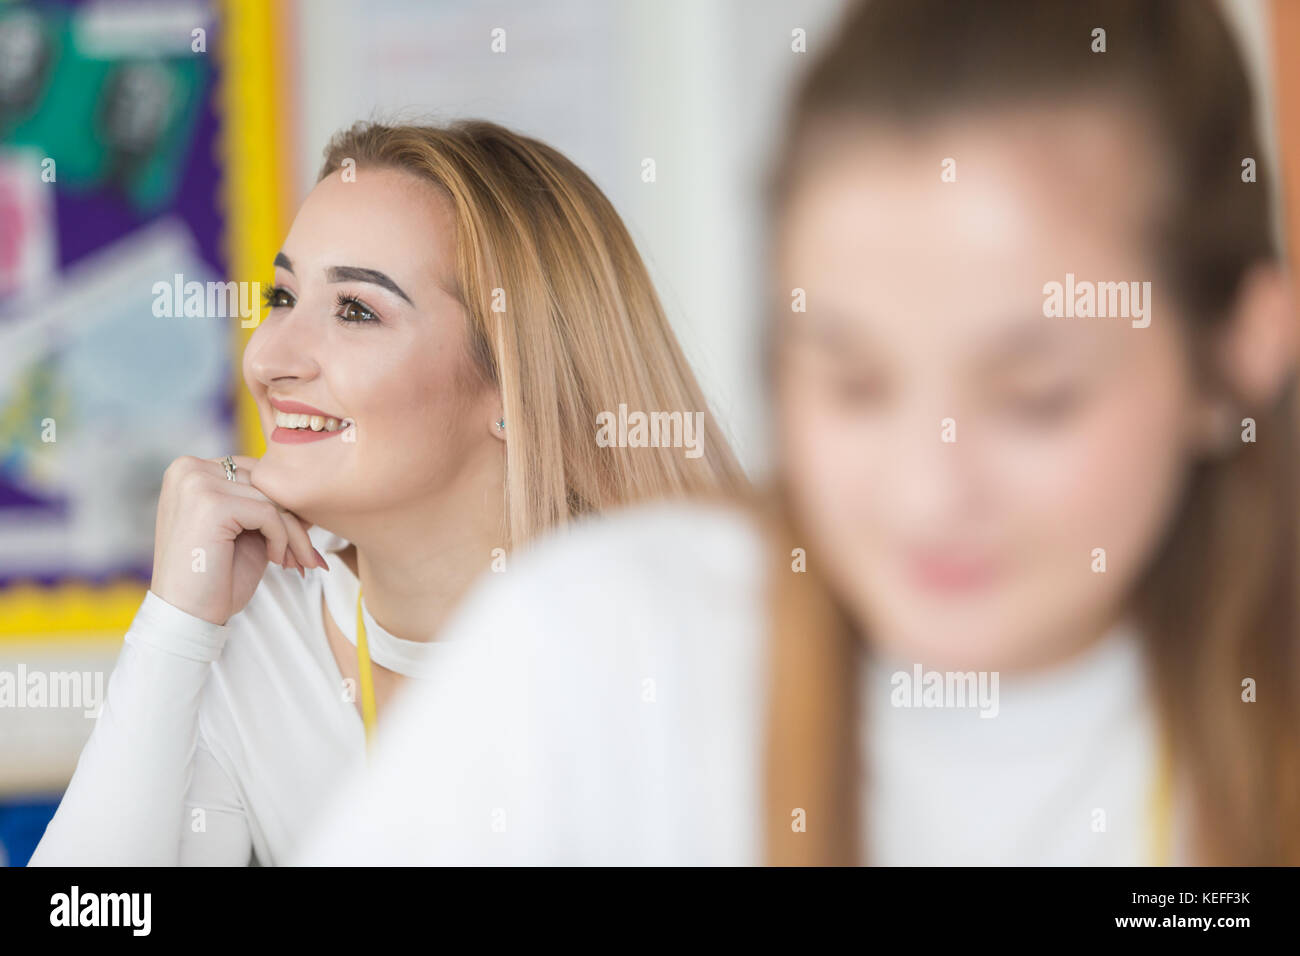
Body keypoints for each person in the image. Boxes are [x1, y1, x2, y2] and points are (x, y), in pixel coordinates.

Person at [295, 0, 1299, 866]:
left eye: (1032, 395)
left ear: (1239, 351)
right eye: (851, 384)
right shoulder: (604, 651)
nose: (925, 490)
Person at [29, 119, 745, 866]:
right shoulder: (256, 624)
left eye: (356, 311)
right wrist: (173, 625)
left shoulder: (675, 647)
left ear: (515, 385)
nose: (267, 358)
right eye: (281, 297)